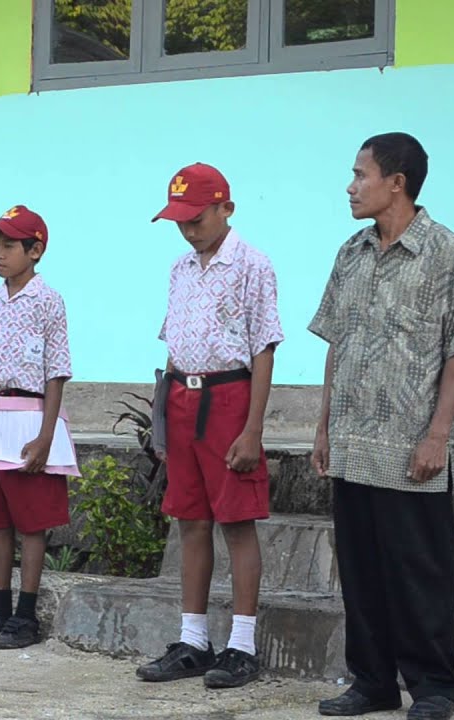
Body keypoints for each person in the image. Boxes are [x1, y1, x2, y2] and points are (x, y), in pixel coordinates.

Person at [311, 133, 454, 720]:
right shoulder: (350, 252)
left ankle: (433, 688)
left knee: (420, 573)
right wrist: (323, 426)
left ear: (397, 183)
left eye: (361, 174)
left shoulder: (448, 253)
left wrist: (438, 434)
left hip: (412, 448)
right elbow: (336, 340)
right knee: (360, 572)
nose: (351, 186)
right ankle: (372, 682)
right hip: (353, 443)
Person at [137, 163, 282, 689]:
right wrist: (162, 423)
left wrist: (253, 428)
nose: (188, 230)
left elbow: (264, 349)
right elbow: (173, 348)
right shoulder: (180, 269)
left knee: (236, 521)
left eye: (196, 219)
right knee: (190, 520)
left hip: (229, 398)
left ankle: (242, 644)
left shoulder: (252, 266)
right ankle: (193, 638)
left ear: (227, 209)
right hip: (182, 400)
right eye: (179, 221)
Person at [0, 205, 73, 651]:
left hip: (28, 416)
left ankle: (26, 615)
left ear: (36, 249)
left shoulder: (48, 301)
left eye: (9, 246)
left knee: (32, 522)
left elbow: (56, 372)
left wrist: (46, 434)